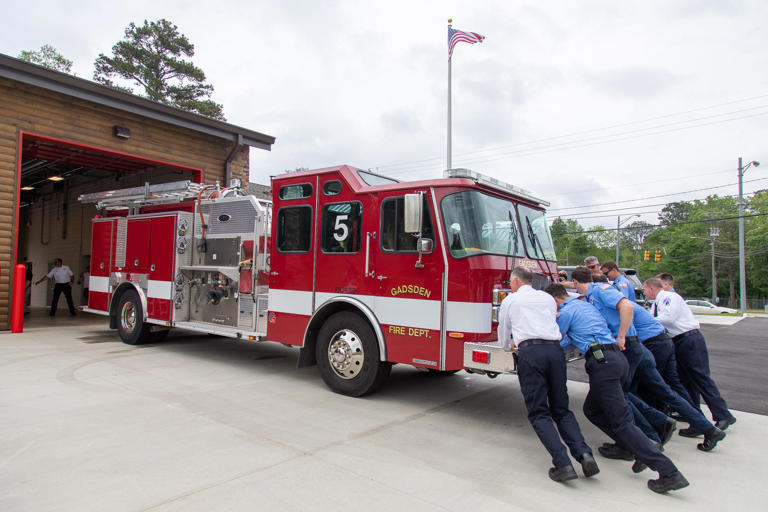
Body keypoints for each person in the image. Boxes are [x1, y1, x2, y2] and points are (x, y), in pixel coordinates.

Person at [544, 282, 689, 494]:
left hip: (602, 364)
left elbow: (558, 341)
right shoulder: (586, 306)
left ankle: (668, 471)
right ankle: (629, 446)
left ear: (555, 300)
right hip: (616, 360)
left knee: (622, 422)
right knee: (592, 410)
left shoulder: (566, 312)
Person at [497, 266, 598, 482]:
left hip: (531, 353)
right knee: (561, 409)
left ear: (515, 281)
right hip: (555, 351)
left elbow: (504, 330)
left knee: (539, 412)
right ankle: (584, 454)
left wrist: (508, 346)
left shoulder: (511, 300)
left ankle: (563, 464)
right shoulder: (547, 298)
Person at [643, 276, 736, 433]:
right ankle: (696, 420)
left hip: (689, 339)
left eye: (644, 289)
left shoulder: (668, 297)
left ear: (652, 288)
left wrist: (647, 321)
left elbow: (669, 318)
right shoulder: (657, 302)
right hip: (678, 342)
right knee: (686, 383)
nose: (643, 293)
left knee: (700, 377)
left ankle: (722, 414)